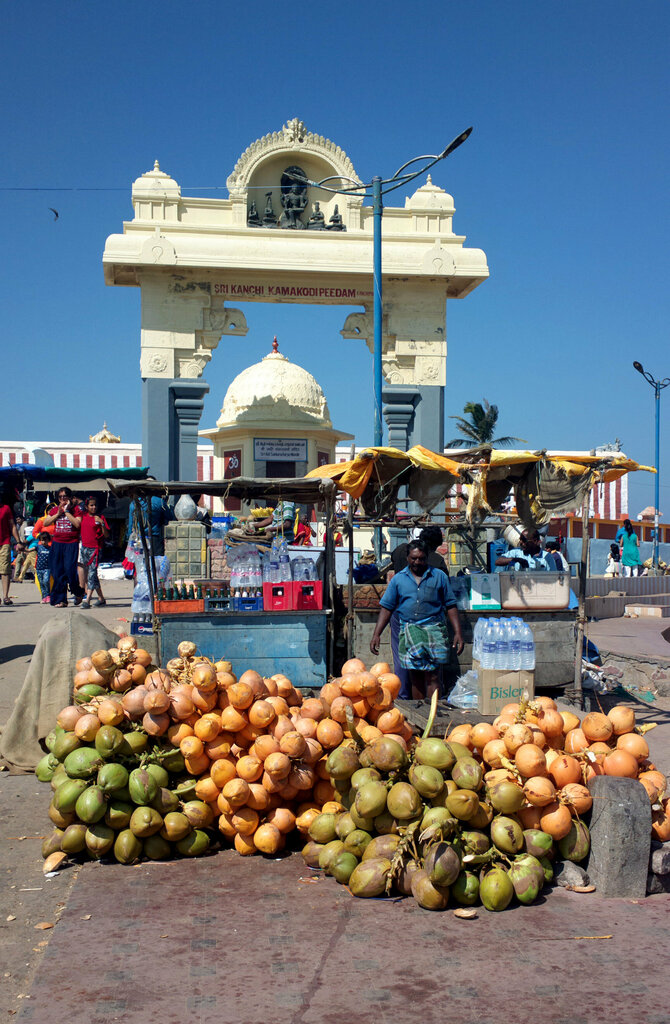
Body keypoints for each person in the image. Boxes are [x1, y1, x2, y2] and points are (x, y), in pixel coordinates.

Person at [370, 538, 464, 701]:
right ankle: (419, 714)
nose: (417, 562)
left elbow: (450, 605)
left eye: (421, 558)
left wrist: (458, 632)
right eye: (414, 558)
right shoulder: (398, 580)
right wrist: (376, 634)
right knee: (415, 676)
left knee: (433, 675)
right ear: (408, 558)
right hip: (409, 630)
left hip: (434, 630)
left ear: (427, 558)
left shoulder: (439, 577)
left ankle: (433, 714)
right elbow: (387, 607)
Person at [389, 525, 449, 699]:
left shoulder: (401, 550)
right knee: (432, 668)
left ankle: (404, 695)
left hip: (400, 613)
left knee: (403, 657)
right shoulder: (436, 561)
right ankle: (428, 702)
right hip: (423, 617)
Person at [42, 488, 85, 607]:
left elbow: (77, 524)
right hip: (57, 543)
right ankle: (61, 599)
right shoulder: (55, 509)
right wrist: (58, 513)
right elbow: (45, 523)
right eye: (60, 497)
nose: (62, 499)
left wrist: (66, 512)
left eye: (65, 497)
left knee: (70, 571)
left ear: (70, 498)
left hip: (71, 543)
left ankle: (78, 592)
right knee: (57, 572)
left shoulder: (76, 510)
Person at [78, 496, 110, 608]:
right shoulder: (83, 517)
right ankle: (101, 599)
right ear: (86, 507)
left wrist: (101, 523)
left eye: (95, 505)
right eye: (91, 505)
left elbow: (106, 535)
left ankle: (87, 599)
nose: (94, 507)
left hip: (95, 549)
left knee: (91, 574)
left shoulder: (100, 517)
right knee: (92, 575)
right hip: (84, 548)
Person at [0, 493, 25, 606]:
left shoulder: (5, 508)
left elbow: (12, 526)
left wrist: (18, 541)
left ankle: (5, 596)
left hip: (4, 542)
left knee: (5, 570)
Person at [35, 532, 52, 602]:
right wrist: (24, 550)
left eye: (45, 540)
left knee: (46, 581)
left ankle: (48, 595)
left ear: (48, 540)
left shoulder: (51, 548)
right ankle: (43, 597)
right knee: (41, 583)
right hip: (39, 568)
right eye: (42, 540)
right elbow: (30, 550)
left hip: (47, 568)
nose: (44, 542)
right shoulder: (38, 547)